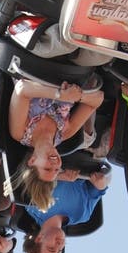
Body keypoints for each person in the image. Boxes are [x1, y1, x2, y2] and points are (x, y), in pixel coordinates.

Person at [9, 76, 104, 211]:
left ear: (32, 161)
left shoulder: (20, 132)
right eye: (56, 170)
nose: (55, 165)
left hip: (33, 64)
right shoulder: (64, 134)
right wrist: (77, 96)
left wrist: (61, 94)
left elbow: (22, 88)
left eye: (47, 168)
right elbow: (97, 99)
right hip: (69, 72)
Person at [21, 170, 110, 253]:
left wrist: (57, 176)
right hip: (85, 160)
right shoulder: (81, 215)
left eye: (51, 248)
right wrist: (101, 183)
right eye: (59, 251)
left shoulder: (33, 207)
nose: (59, 245)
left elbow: (27, 172)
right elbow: (100, 187)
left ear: (39, 238)